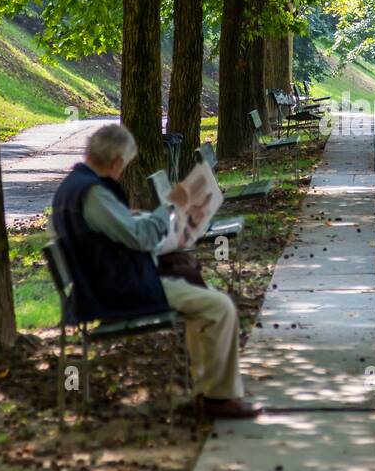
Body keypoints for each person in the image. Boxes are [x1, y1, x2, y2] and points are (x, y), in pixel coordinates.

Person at [51, 123, 262, 419]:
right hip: (119, 289)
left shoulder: (73, 186)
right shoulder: (92, 193)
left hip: (107, 282)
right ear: (116, 163)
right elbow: (142, 238)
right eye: (124, 166)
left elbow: (106, 232)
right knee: (220, 306)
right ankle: (218, 398)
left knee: (205, 301)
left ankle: (210, 390)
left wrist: (129, 218)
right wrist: (170, 207)